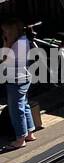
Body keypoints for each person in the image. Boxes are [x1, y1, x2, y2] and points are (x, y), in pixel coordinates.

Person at [1, 17, 35, 151]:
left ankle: (20, 138)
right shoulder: (24, 40)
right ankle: (30, 132)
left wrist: (6, 43)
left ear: (10, 30)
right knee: (24, 103)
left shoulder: (13, 44)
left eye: (4, 30)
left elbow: (4, 59)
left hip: (16, 79)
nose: (3, 33)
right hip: (25, 76)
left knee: (16, 109)